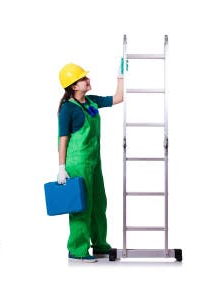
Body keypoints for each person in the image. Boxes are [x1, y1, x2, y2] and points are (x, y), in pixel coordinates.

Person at [56, 62, 124, 263]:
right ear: (74, 86)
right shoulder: (68, 109)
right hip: (77, 163)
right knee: (82, 206)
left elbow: (118, 98)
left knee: (98, 202)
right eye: (83, 78)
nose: (88, 80)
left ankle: (100, 245)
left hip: (94, 161)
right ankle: (77, 249)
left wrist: (120, 76)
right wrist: (61, 167)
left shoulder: (92, 102)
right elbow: (63, 139)